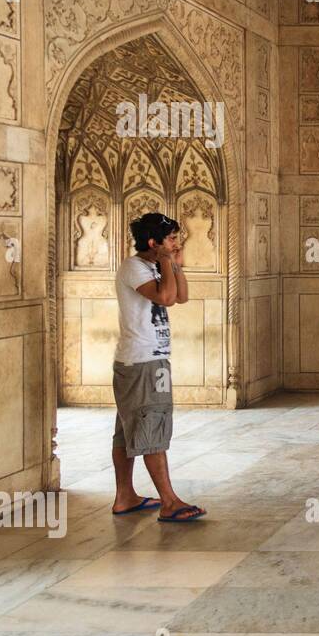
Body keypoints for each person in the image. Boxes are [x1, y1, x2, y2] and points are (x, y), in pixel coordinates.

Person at [110, 213, 205, 522]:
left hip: (148, 358)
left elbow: (182, 296)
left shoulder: (153, 265)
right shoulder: (134, 267)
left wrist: (173, 263)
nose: (177, 242)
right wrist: (167, 262)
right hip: (142, 361)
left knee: (127, 431)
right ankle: (169, 501)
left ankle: (125, 496)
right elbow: (164, 297)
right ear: (154, 243)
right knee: (152, 424)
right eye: (171, 239)